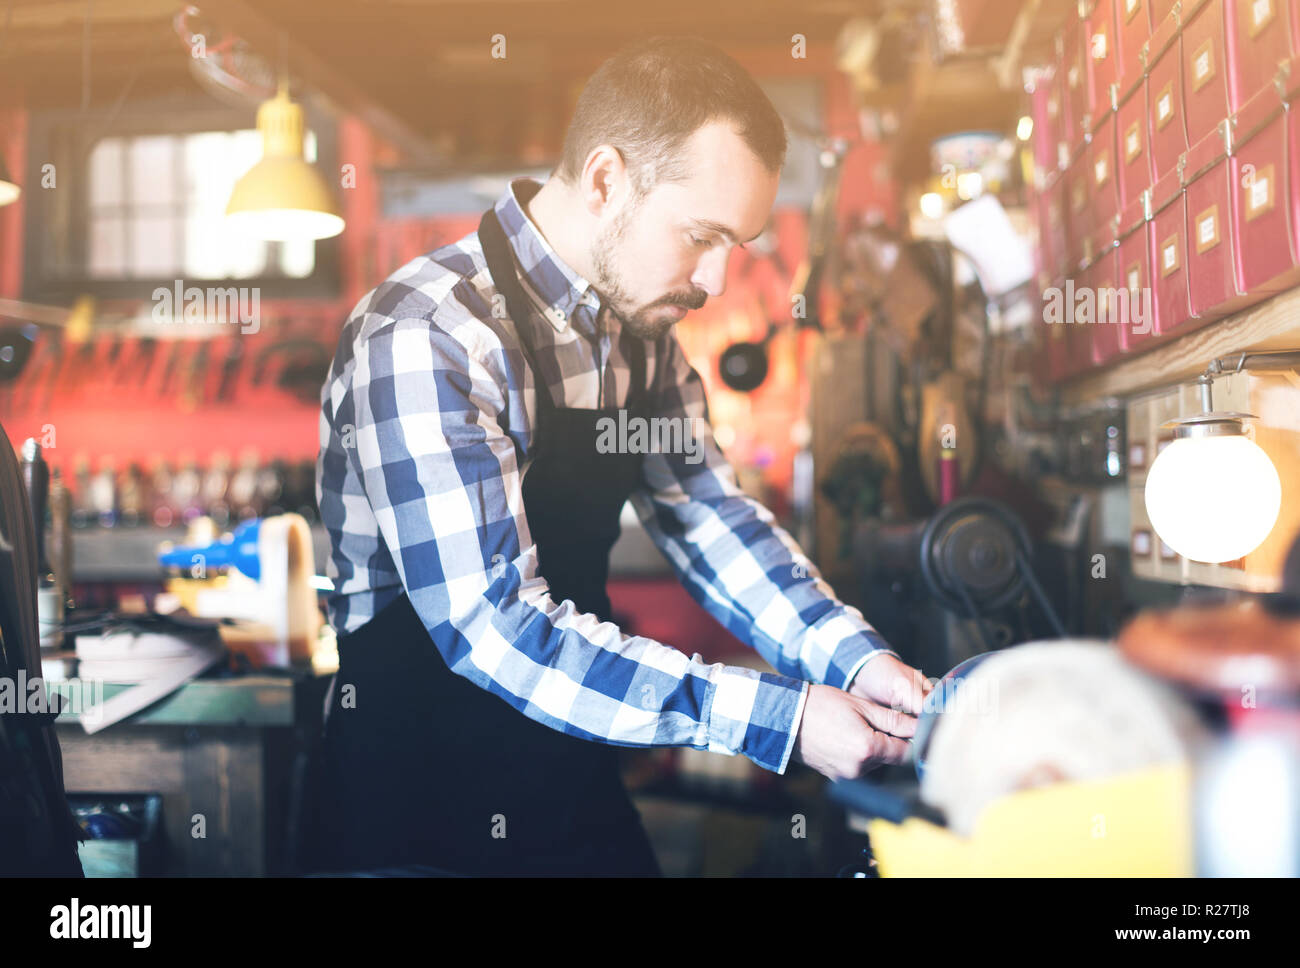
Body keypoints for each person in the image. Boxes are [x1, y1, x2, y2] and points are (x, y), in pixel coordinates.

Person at [312, 35, 928, 876]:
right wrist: (778, 717)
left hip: (566, 777)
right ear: (606, 180)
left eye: (736, 247)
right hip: (413, 811)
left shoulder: (640, 336)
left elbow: (710, 519)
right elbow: (494, 628)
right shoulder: (430, 333)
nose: (714, 282)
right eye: (701, 236)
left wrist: (853, 658)